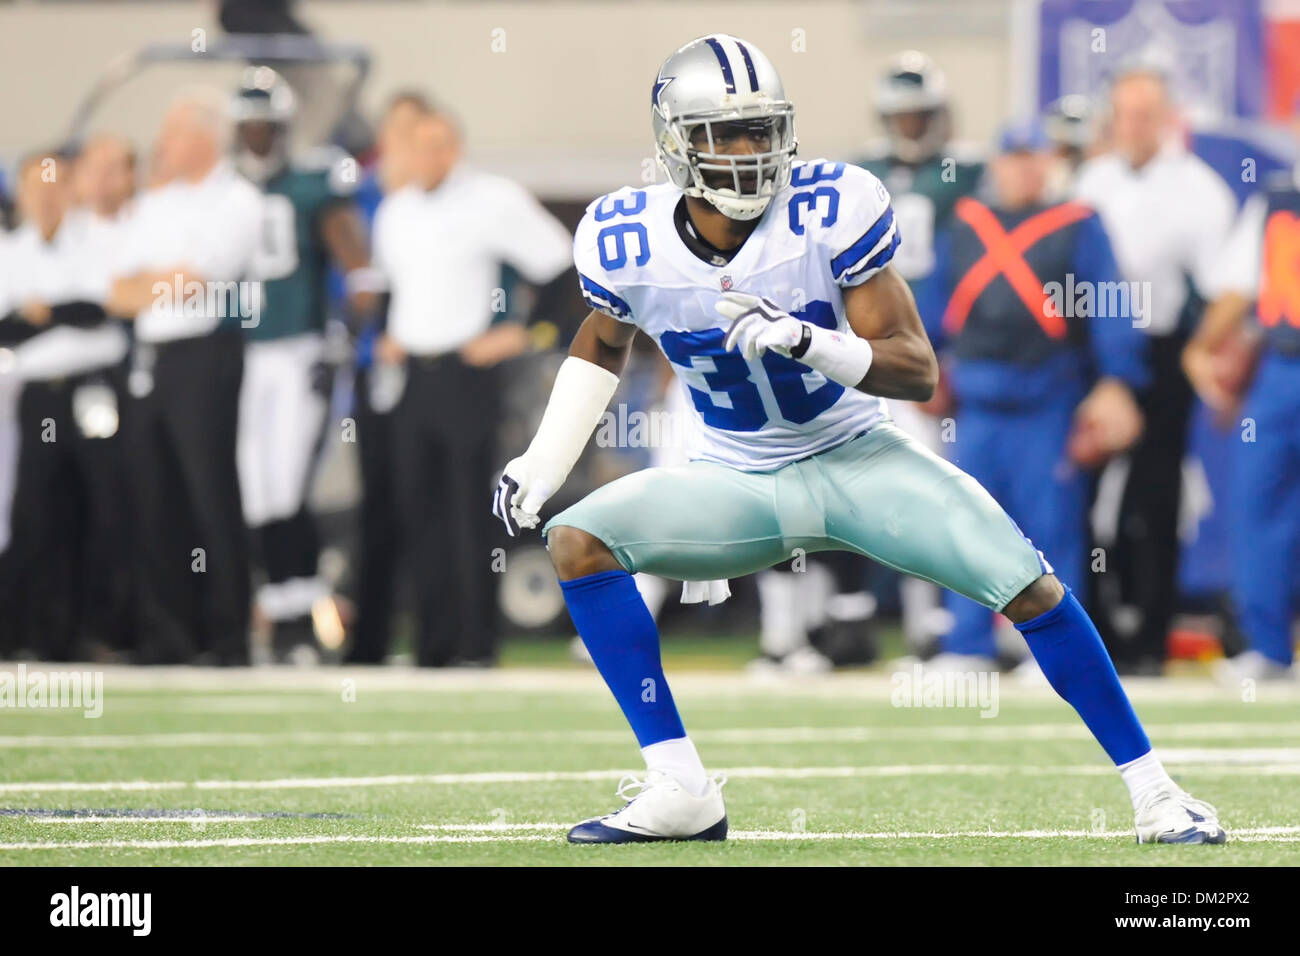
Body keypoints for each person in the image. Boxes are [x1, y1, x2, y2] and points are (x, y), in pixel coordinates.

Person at [492, 34, 1226, 846]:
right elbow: (603, 338)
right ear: (676, 142)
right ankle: (679, 787)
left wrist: (813, 343)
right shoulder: (627, 236)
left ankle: (1158, 792)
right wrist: (544, 458)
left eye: (761, 130)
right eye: (725, 134)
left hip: (856, 460)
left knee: (1030, 585)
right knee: (576, 540)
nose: (748, 151)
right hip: (736, 477)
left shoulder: (829, 207)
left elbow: (913, 369)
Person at [923, 119, 1147, 671]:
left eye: (1033, 156)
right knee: (968, 528)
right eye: (1013, 156)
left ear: (1049, 162)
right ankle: (968, 644)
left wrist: (1117, 381)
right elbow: (932, 303)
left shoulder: (1078, 224)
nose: (1023, 167)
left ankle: (1054, 652)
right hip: (976, 404)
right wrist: (924, 365)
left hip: (1049, 399)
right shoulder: (965, 225)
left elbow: (1110, 305)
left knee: (1053, 533)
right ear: (997, 164)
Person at [372, 108, 572, 666]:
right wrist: (387, 333)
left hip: (468, 372)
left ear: (453, 149)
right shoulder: (395, 211)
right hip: (413, 372)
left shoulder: (492, 200)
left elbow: (560, 269)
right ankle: (431, 644)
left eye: (437, 146)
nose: (426, 158)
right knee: (420, 510)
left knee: (468, 510)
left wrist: (526, 334)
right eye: (416, 146)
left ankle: (476, 644)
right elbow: (392, 288)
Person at [1073, 66, 1237, 672]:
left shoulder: (1198, 189)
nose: (1133, 126)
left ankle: (1149, 638)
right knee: (1081, 497)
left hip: (1160, 348)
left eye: (1145, 114)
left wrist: (1204, 353)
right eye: (1124, 113)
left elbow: (1228, 286)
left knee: (1155, 496)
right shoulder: (1091, 179)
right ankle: (1094, 634)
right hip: (1092, 350)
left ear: (1168, 118)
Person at [107, 91, 265, 665]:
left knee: (209, 491)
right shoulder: (156, 204)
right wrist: (157, 283)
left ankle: (226, 636)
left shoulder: (238, 199)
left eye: (172, 133)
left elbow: (197, 281)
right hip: (152, 357)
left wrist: (154, 284)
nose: (162, 144)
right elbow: (117, 291)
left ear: (202, 138)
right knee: (153, 495)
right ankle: (164, 634)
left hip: (206, 355)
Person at [231, 67, 373, 662]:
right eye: (250, 127)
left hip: (300, 348)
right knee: (255, 489)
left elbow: (360, 268)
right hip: (246, 352)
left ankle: (300, 624)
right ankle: (288, 610)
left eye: (268, 126)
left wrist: (343, 338)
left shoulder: (313, 183)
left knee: (287, 484)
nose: (259, 137)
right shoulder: (224, 190)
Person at [0, 150, 131, 657]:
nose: (46, 197)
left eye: (55, 185)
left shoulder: (99, 240)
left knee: (103, 505)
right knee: (37, 510)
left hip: (92, 387)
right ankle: (41, 634)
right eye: (36, 187)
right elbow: (9, 325)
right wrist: (55, 314)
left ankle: (106, 629)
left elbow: (100, 308)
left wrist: (45, 312)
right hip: (38, 394)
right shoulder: (12, 251)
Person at [1184, 113, 1300, 682]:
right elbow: (1238, 288)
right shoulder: (1278, 201)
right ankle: (1269, 646)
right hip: (1283, 368)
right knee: (1258, 508)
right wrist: (1203, 348)